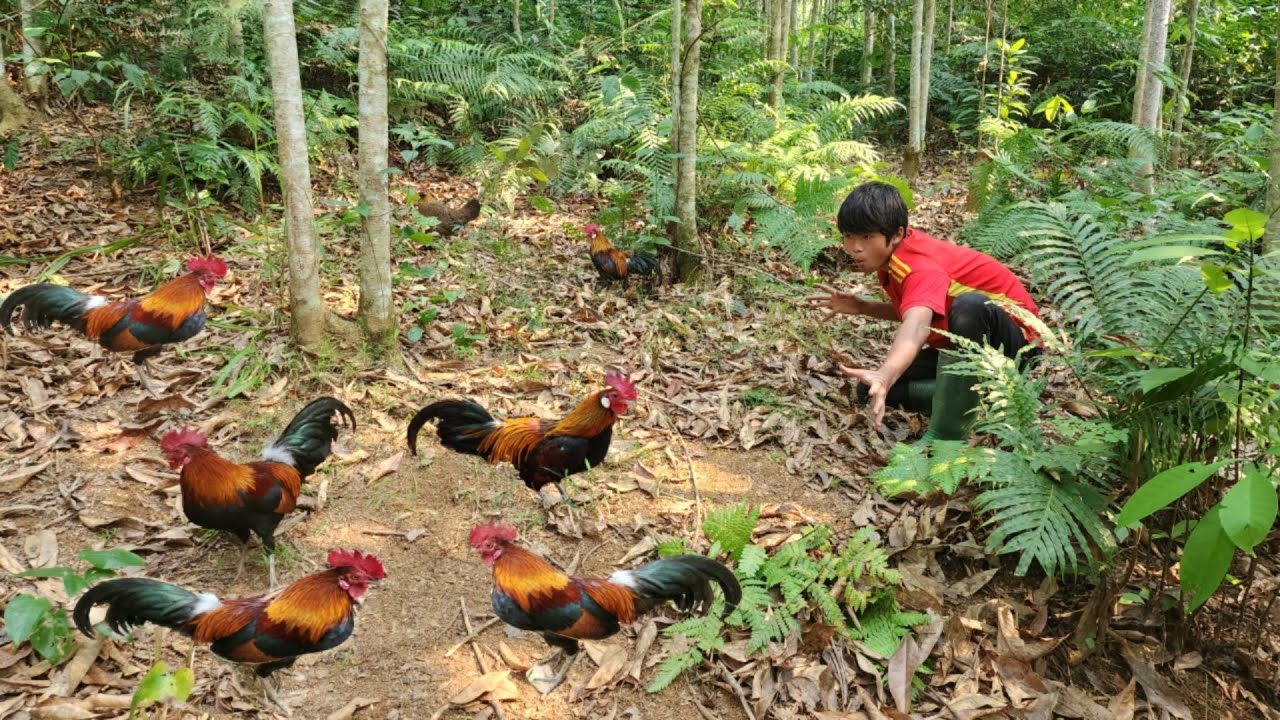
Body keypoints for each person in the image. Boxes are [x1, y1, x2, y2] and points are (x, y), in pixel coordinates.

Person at [807, 181, 1040, 444]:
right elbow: (922, 311)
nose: (855, 247)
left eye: (867, 237)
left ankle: (946, 436)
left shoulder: (918, 266)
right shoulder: (890, 259)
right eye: (849, 236)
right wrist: (863, 307)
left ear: (896, 234)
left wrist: (885, 374)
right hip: (964, 343)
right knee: (867, 391)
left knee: (970, 306)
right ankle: (981, 397)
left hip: (1016, 345)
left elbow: (917, 325)